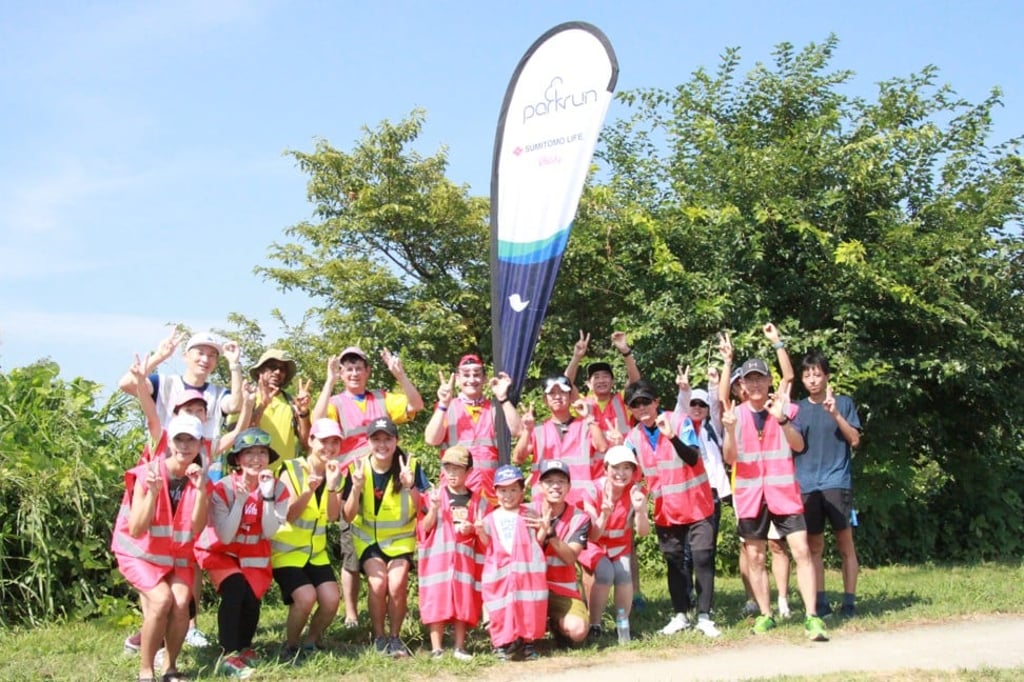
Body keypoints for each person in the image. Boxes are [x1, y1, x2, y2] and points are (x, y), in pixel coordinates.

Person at [719, 349, 829, 642]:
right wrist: (729, 431)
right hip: (750, 495)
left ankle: (812, 616)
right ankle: (766, 614)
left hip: (783, 492)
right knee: (755, 556)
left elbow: (798, 445)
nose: (755, 384)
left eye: (760, 378)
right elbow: (730, 458)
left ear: (769, 381)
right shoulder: (735, 415)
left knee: (801, 551)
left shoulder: (785, 408)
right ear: (742, 385)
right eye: (750, 379)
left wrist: (781, 420)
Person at [311, 345, 424, 628]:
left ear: (368, 371)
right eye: (348, 369)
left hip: (384, 476)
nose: (354, 373)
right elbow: (316, 422)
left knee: (383, 546)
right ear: (342, 373)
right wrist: (329, 381)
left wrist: (400, 376)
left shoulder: (381, 398)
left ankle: (388, 613)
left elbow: (416, 406)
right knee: (350, 553)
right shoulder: (336, 402)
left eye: (358, 368)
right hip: (352, 481)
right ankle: (351, 614)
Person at [111, 414, 211, 682]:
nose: (185, 446)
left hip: (174, 557)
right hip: (139, 553)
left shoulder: (201, 479)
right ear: (169, 442)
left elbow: (197, 527)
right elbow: (136, 529)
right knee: (161, 600)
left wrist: (201, 491)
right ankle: (146, 671)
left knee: (181, 602)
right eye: (179, 439)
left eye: (191, 440)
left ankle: (170, 668)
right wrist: (153, 493)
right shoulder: (148, 474)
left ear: (200, 444)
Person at [624, 379, 721, 638]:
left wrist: (671, 437)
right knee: (674, 562)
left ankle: (704, 616)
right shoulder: (632, 438)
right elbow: (628, 471)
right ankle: (680, 615)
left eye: (646, 402)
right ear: (630, 409)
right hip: (666, 509)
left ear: (656, 402)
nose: (642, 408)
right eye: (635, 404)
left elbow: (692, 456)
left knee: (701, 557)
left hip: (697, 503)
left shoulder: (678, 420)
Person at [194, 428, 289, 678]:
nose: (256, 459)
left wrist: (267, 497)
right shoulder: (224, 488)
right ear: (237, 459)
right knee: (235, 588)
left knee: (252, 597)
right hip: (220, 551)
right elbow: (225, 536)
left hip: (253, 553)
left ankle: (244, 646)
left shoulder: (278, 489)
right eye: (249, 453)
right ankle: (228, 653)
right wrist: (240, 500)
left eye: (262, 453)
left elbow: (269, 531)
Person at [342, 416, 428, 658]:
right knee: (378, 584)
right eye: (376, 439)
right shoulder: (357, 468)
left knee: (397, 583)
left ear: (396, 441)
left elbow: (422, 508)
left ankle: (395, 637)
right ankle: (379, 637)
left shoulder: (411, 465)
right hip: (368, 539)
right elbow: (348, 516)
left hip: (400, 539)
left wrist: (410, 486)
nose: (382, 445)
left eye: (387, 439)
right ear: (368, 442)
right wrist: (356, 488)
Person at [271, 418, 345, 661]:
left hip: (315, 553)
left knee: (332, 600)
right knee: (305, 598)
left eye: (335, 442)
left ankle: (311, 642)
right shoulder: (291, 469)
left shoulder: (337, 473)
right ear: (311, 440)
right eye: (324, 441)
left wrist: (331, 487)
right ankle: (290, 646)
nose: (329, 448)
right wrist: (308, 491)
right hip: (287, 553)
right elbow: (289, 515)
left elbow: (333, 515)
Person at [796, 350, 863, 618]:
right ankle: (820, 602)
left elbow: (855, 440)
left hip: (837, 482)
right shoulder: (797, 409)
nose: (812, 380)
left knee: (845, 545)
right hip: (807, 485)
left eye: (817, 374)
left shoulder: (843, 403)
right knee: (814, 547)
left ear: (827, 376)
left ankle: (849, 603)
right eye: (807, 375)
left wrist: (835, 414)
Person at [417, 445, 486, 660]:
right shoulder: (433, 496)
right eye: (448, 468)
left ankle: (459, 647)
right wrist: (434, 508)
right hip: (437, 562)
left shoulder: (478, 500)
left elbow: (483, 533)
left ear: (469, 471)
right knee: (436, 600)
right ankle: (436, 648)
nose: (452, 473)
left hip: (464, 563)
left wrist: (472, 529)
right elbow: (424, 528)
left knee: (463, 602)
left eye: (457, 469)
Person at [423, 353, 521, 502]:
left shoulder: (495, 407)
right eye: (466, 375)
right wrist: (443, 404)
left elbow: (519, 431)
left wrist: (503, 398)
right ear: (458, 379)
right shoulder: (448, 407)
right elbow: (431, 439)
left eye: (476, 374)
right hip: (456, 493)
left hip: (490, 492)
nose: (471, 380)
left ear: (484, 378)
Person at [576, 446, 650, 640]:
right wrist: (605, 514)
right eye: (616, 467)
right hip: (593, 545)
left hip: (619, 546)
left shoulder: (636, 492)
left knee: (624, 574)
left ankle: (622, 625)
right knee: (606, 572)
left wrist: (640, 511)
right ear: (605, 468)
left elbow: (643, 532)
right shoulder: (592, 490)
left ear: (633, 471)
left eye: (627, 468)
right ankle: (595, 624)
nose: (621, 473)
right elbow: (593, 535)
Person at [476, 465, 548, 661]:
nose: (508, 495)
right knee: (500, 609)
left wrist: (544, 528)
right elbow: (487, 544)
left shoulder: (530, 513)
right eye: (503, 490)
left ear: (522, 491)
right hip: (500, 573)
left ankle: (527, 643)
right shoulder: (490, 518)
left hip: (527, 572)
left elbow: (537, 540)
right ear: (495, 492)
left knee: (528, 607)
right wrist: (480, 532)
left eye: (513, 490)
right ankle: (501, 644)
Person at [118, 330, 243, 443]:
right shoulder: (162, 383)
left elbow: (235, 405)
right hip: (164, 457)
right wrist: (159, 356)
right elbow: (126, 384)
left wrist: (234, 365)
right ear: (185, 356)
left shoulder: (218, 393)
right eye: (200, 353)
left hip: (203, 460)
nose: (205, 359)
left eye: (211, 355)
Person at [512, 375, 608, 507]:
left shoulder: (586, 426)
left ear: (570, 397)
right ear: (545, 400)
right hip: (545, 503)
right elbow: (517, 458)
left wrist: (588, 417)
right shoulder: (538, 430)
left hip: (579, 502)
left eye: (562, 392)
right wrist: (527, 431)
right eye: (552, 393)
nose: (557, 396)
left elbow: (602, 447)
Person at [530, 459, 591, 647]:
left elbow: (570, 557)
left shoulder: (580, 517)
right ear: (540, 486)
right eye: (549, 481)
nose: (555, 486)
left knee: (578, 631)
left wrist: (551, 535)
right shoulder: (528, 512)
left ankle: (555, 624)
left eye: (561, 481)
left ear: (569, 487)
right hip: (530, 587)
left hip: (562, 589)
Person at [244, 349, 313, 470]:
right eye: (272, 367)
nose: (277, 372)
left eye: (282, 369)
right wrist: (262, 405)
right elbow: (242, 437)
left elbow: (308, 444)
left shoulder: (292, 403)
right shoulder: (247, 399)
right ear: (260, 370)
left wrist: (303, 413)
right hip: (253, 473)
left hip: (284, 476)